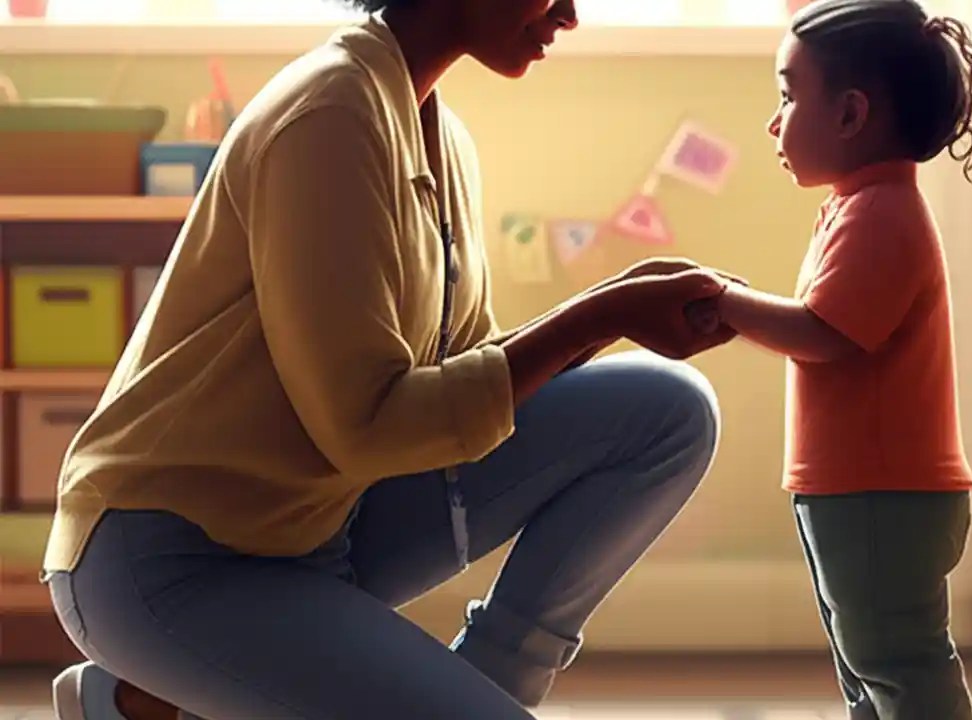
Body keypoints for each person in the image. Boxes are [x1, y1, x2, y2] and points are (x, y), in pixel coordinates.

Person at [42, 1, 740, 718]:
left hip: (319, 523)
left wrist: (612, 310)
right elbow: (367, 424)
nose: (568, 14)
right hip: (177, 556)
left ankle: (476, 689)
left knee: (668, 413)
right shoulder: (329, 116)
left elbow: (459, 380)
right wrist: (601, 316)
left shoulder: (438, 130)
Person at [705, 1, 972, 717]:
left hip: (881, 495)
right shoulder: (854, 207)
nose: (774, 121)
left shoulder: (882, 214)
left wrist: (722, 302)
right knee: (866, 662)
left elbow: (824, 333)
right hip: (855, 490)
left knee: (896, 660)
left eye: (787, 94)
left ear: (850, 114)